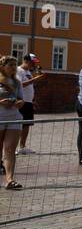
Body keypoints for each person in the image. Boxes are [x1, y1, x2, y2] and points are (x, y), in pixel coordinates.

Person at [0, 56, 24, 191]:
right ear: (2, 66)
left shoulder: (17, 82)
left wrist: (20, 103)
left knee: (9, 149)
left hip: (14, 116)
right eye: (10, 65)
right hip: (0, 116)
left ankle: (10, 179)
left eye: (15, 65)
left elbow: (21, 99)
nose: (14, 67)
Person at [16, 53, 43, 155]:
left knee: (27, 125)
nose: (34, 65)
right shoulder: (19, 70)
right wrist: (35, 79)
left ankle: (22, 146)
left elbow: (29, 86)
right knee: (19, 125)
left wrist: (33, 100)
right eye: (33, 63)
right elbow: (19, 85)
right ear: (26, 61)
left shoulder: (28, 71)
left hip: (28, 102)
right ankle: (16, 146)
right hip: (21, 101)